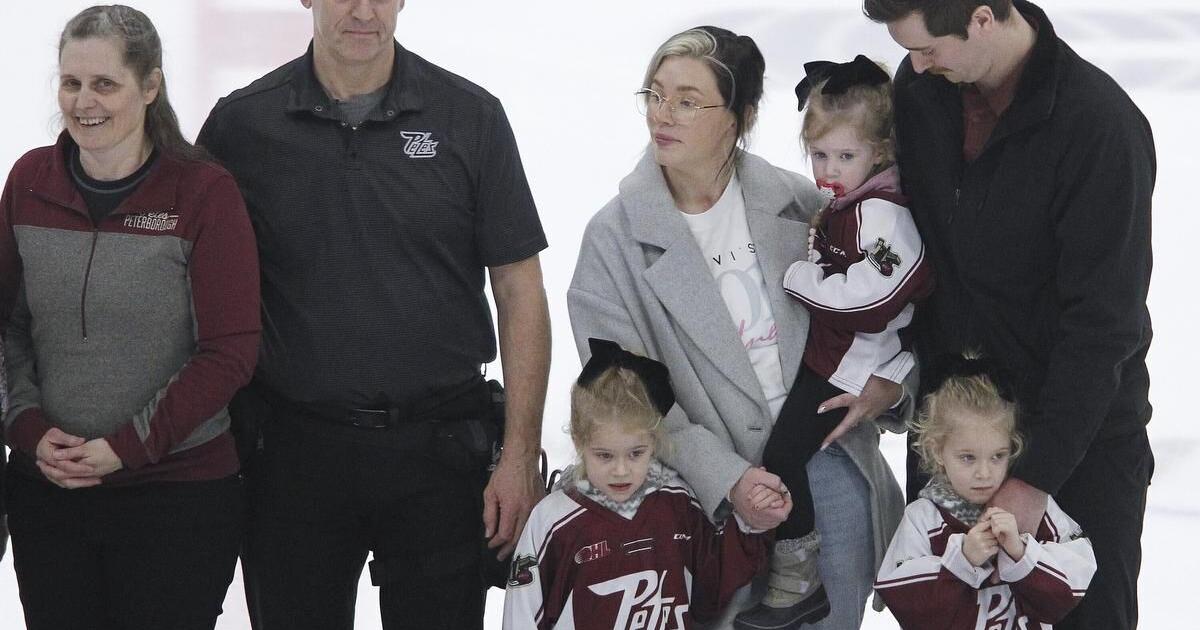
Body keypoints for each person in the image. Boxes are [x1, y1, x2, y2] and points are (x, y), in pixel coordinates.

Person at [196, 0, 551, 628]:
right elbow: (193, 287)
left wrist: (520, 454)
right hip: (292, 458)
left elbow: (519, 290)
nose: (364, 10)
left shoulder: (471, 117)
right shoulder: (241, 126)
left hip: (438, 457)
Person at [567, 25, 906, 629]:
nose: (662, 114)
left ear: (740, 116)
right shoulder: (612, 241)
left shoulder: (808, 201)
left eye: (688, 100)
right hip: (706, 507)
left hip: (833, 481)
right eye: (655, 94)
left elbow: (896, 309)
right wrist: (729, 478)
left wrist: (892, 387)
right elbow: (622, 399)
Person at [862, 1, 1155, 627]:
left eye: (928, 48)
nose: (915, 65)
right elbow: (921, 257)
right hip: (953, 434)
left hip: (1078, 446)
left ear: (984, 18)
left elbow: (1105, 327)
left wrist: (1036, 476)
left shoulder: (1100, 126)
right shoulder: (922, 91)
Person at [0, 5, 260, 628]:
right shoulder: (29, 180)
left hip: (178, 496)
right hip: (50, 493)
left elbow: (230, 351)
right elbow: (10, 325)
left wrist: (128, 446)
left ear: (150, 86)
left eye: (105, 84)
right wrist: (28, 428)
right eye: (71, 83)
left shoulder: (202, 192)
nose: (84, 101)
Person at [735, 55, 933, 630]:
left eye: (845, 156)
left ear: (881, 152)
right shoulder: (847, 204)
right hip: (834, 357)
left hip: (850, 367)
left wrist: (803, 279)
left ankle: (799, 576)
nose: (829, 168)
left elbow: (875, 298)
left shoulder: (882, 212)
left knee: (780, 456)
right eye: (818, 155)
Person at [503, 338, 774, 629]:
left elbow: (713, 589)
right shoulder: (551, 522)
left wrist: (752, 522)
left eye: (636, 453)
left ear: (654, 440)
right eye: (604, 455)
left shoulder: (678, 501)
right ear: (579, 441)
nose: (621, 470)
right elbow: (521, 617)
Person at [875, 354, 1096, 628]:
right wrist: (961, 561)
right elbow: (902, 599)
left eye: (997, 456)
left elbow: (1072, 584)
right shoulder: (923, 518)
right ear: (938, 451)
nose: (984, 473)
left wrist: (1022, 552)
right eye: (968, 457)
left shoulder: (1036, 509)